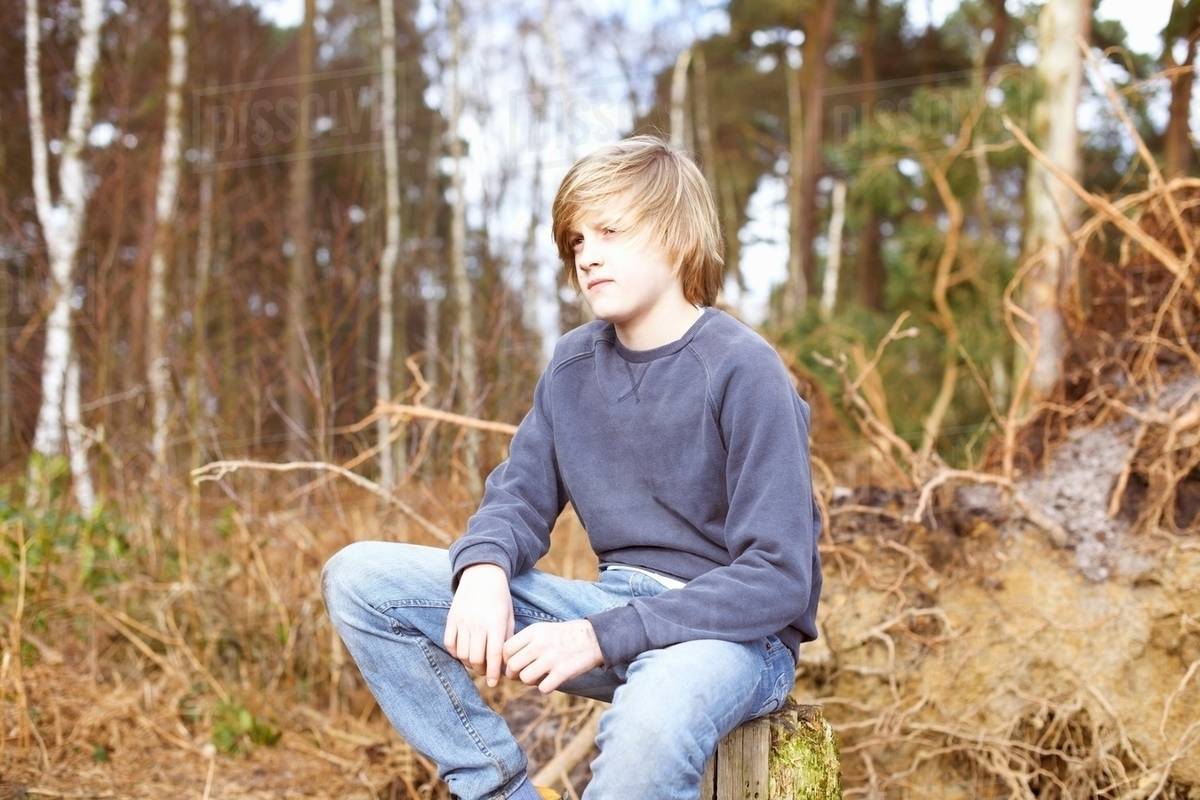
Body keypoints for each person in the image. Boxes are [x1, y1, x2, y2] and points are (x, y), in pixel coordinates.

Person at [321, 134, 823, 800]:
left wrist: (602, 634)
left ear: (676, 237)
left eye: (610, 231)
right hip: (609, 608)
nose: (588, 255)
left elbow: (779, 578)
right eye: (578, 240)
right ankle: (499, 790)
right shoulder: (573, 366)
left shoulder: (744, 368)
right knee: (362, 580)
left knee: (650, 723)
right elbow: (518, 498)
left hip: (734, 638)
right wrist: (484, 567)